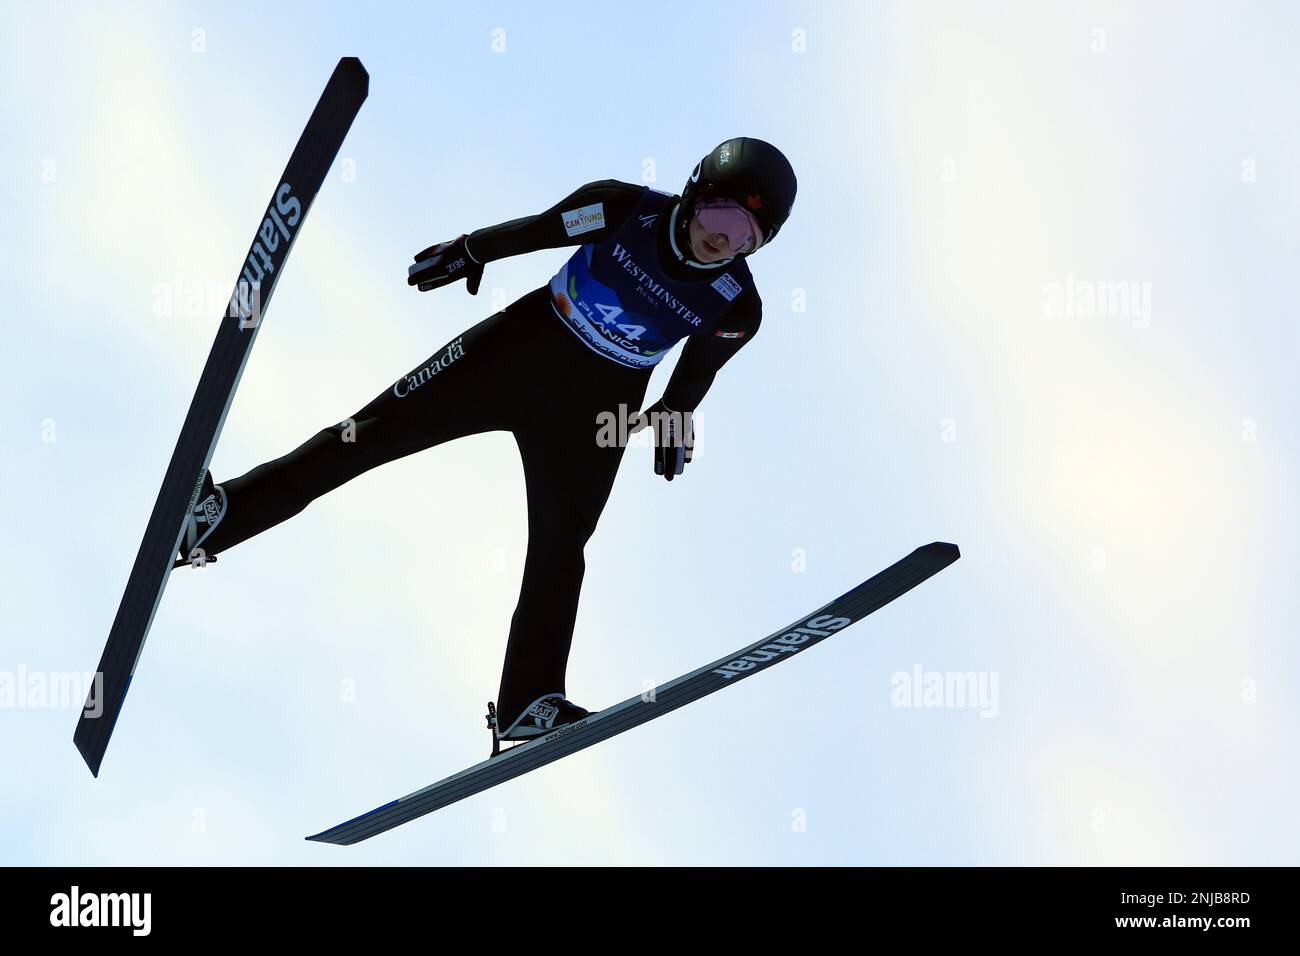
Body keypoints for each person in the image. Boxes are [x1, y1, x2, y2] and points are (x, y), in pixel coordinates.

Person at [179, 136, 797, 750]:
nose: (724, 239)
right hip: (514, 353)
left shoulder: (736, 305)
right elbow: (537, 232)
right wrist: (471, 251)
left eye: (748, 237)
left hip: (595, 415)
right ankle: (218, 519)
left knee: (562, 550)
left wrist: (675, 415)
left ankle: (528, 702)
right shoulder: (622, 210)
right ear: (694, 195)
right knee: (362, 439)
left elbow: (697, 373)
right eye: (721, 216)